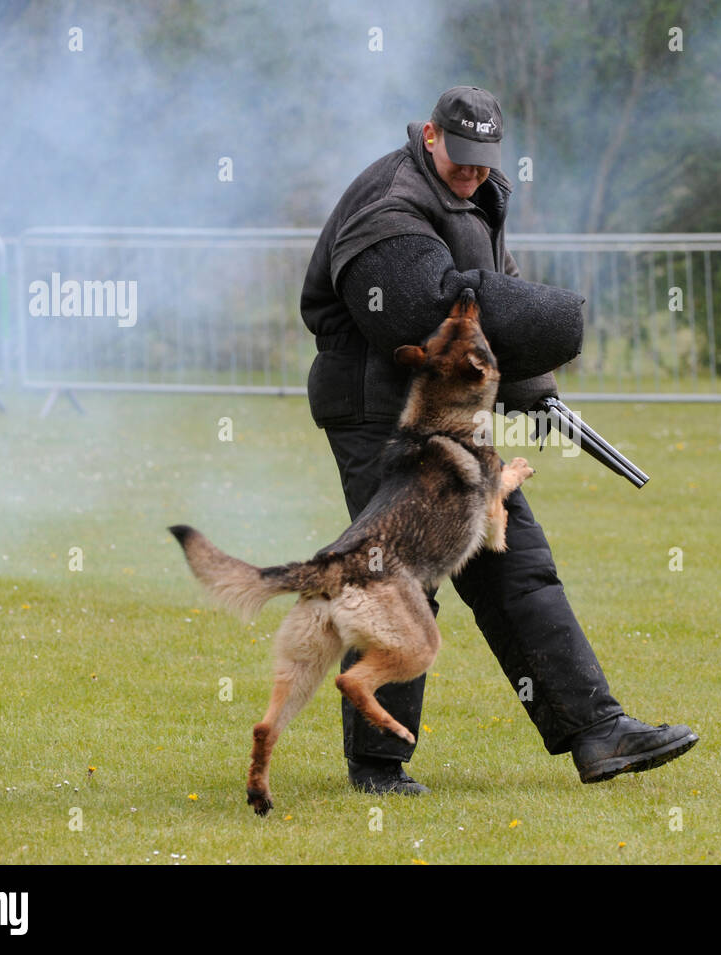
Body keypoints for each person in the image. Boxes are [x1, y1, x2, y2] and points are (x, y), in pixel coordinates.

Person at [299, 86, 697, 794]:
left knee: (515, 561)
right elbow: (426, 314)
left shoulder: (477, 194)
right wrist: (556, 321)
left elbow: (492, 293)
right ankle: (378, 762)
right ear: (430, 136)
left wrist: (534, 388)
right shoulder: (388, 209)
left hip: (445, 415)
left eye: (485, 162)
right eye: (461, 160)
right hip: (375, 412)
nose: (473, 174)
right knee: (403, 572)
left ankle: (596, 732)